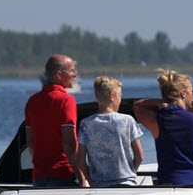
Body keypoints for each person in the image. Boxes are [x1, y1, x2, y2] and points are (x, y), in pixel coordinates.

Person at [134, 69, 193, 186]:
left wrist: (159, 103)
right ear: (183, 94)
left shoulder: (159, 120)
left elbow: (137, 106)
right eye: (192, 91)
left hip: (170, 183)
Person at [25, 54, 86, 187]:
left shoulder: (32, 101)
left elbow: (30, 142)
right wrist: (81, 176)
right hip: (62, 175)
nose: (75, 75)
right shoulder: (66, 100)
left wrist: (42, 165)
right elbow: (69, 143)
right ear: (59, 74)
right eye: (72, 71)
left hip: (39, 178)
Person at [77, 76, 144, 186]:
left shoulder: (86, 124)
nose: (120, 100)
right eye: (119, 96)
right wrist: (131, 172)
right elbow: (140, 155)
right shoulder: (127, 120)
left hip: (99, 185)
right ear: (112, 96)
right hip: (126, 183)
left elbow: (80, 160)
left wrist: (90, 180)